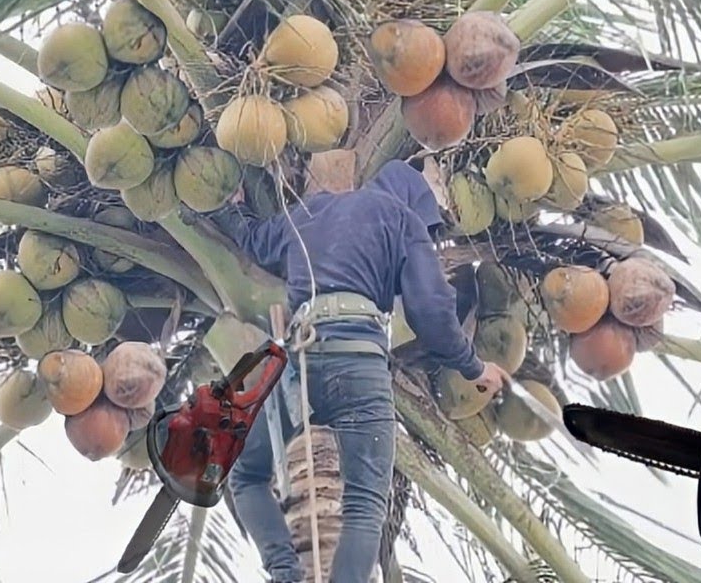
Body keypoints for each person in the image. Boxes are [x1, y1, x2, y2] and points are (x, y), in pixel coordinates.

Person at [207, 159, 510, 583]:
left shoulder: (305, 213)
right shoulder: (401, 218)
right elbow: (430, 313)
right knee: (365, 503)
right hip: (358, 365)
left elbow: (253, 240)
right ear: (414, 202)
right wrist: (474, 367)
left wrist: (228, 207)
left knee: (245, 472)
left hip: (298, 362)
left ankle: (283, 573)